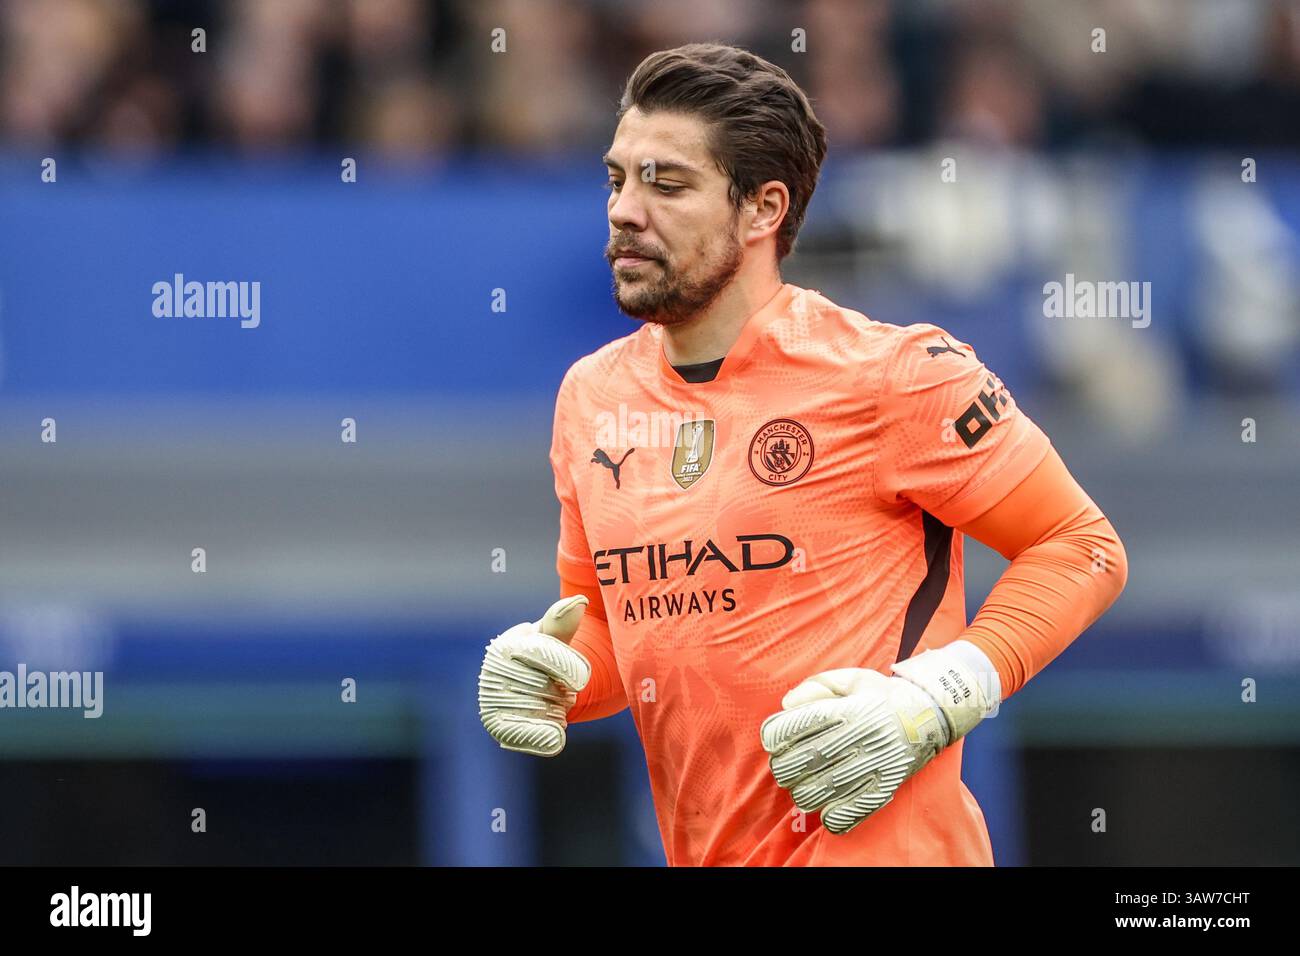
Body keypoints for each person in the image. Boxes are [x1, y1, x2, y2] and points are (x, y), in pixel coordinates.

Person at [479, 43, 1127, 866]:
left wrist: (940, 695)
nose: (623, 211)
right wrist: (557, 673)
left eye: (666, 184)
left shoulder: (897, 373)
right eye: (617, 179)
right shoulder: (590, 398)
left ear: (762, 210)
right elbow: (618, 625)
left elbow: (1083, 547)